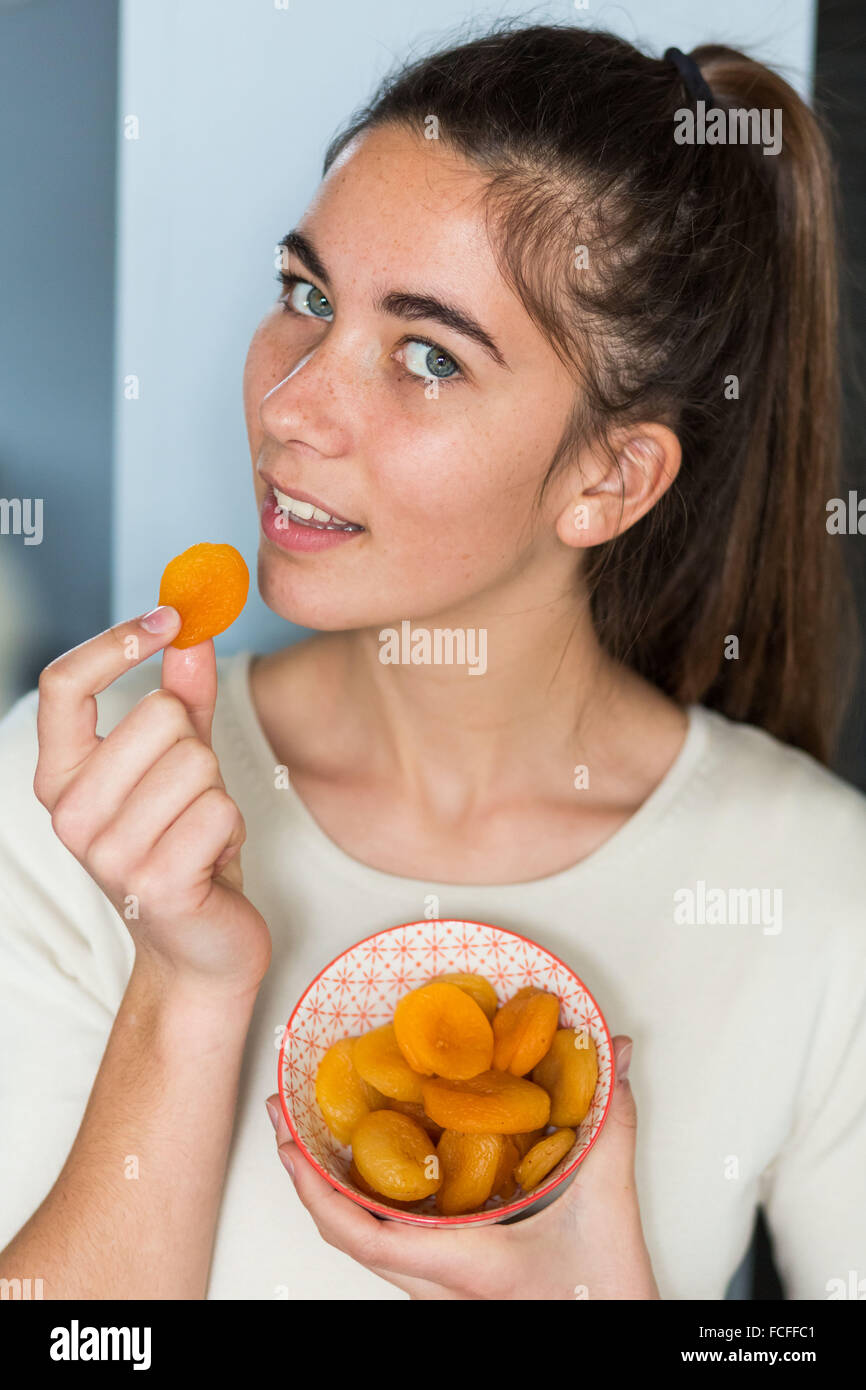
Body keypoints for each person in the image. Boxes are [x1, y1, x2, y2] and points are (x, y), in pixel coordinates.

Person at [0, 22, 864, 1301]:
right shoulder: (85, 782)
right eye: (306, 297)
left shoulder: (817, 888)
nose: (290, 405)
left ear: (606, 476)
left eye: (427, 356)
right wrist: (183, 987)